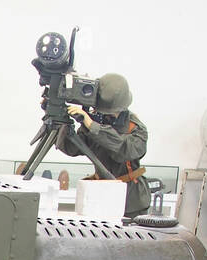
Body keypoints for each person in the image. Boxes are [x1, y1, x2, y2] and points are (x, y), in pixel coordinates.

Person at [55, 73, 149, 217]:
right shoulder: (96, 119)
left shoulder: (135, 128)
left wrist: (92, 126)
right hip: (100, 196)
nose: (107, 116)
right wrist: (61, 122)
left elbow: (125, 150)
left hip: (130, 201)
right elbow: (72, 148)